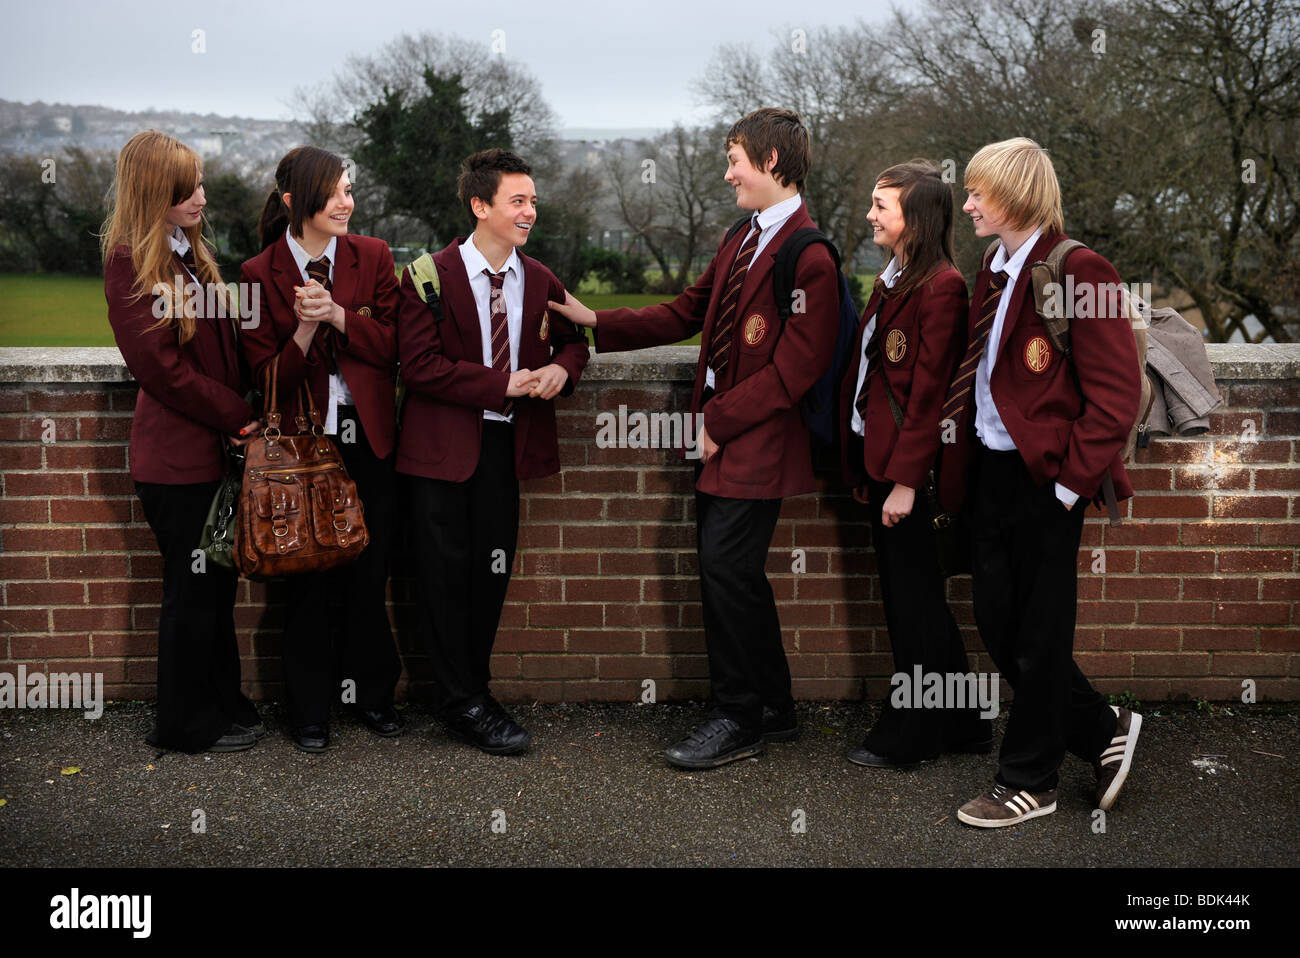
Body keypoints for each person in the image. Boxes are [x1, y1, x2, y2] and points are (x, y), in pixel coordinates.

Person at [549, 108, 839, 769]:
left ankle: (737, 720)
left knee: (725, 572)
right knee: (736, 576)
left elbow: (798, 367)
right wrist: (594, 319)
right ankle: (774, 706)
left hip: (757, 444)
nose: (727, 169)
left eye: (735, 157)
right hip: (728, 440)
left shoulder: (810, 255)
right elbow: (686, 311)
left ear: (770, 162)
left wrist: (716, 420)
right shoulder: (743, 236)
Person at [937, 137, 1143, 826]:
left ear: (1018, 195)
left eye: (978, 193)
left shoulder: (1080, 268)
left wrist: (1065, 489)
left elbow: (1117, 397)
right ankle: (1101, 730)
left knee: (1040, 633)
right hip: (994, 473)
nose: (967, 204)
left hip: (1050, 482)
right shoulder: (992, 267)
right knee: (998, 622)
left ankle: (1031, 781)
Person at [396, 148, 589, 755]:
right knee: (441, 580)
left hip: (504, 449)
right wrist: (500, 383)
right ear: (480, 206)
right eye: (518, 200)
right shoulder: (427, 275)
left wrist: (561, 369)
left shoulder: (540, 277)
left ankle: (466, 693)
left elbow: (576, 338)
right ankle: (465, 702)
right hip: (437, 455)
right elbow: (419, 366)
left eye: (533, 200)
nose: (531, 211)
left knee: (490, 576)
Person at [103, 130, 262, 753]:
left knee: (215, 590)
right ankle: (183, 727)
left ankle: (223, 703)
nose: (201, 196)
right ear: (155, 191)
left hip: (210, 455)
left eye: (199, 183)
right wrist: (238, 416)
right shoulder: (130, 261)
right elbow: (160, 370)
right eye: (187, 187)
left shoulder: (187, 253)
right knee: (192, 594)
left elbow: (221, 346)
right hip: (176, 462)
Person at [240, 146, 403, 753]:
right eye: (333, 191)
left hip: (370, 443)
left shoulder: (375, 256)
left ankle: (374, 696)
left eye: (349, 191)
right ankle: (309, 710)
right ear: (293, 201)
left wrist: (337, 314)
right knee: (304, 578)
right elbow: (266, 382)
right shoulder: (257, 273)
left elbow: (395, 349)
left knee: (368, 572)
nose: (346, 202)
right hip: (299, 452)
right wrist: (304, 329)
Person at [840, 161, 991, 768]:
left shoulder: (942, 287)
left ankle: (914, 730)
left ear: (918, 218)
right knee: (917, 603)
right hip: (880, 467)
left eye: (882, 206)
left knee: (915, 609)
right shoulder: (896, 277)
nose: (871, 215)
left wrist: (904, 483)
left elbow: (932, 395)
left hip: (914, 481)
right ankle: (966, 727)